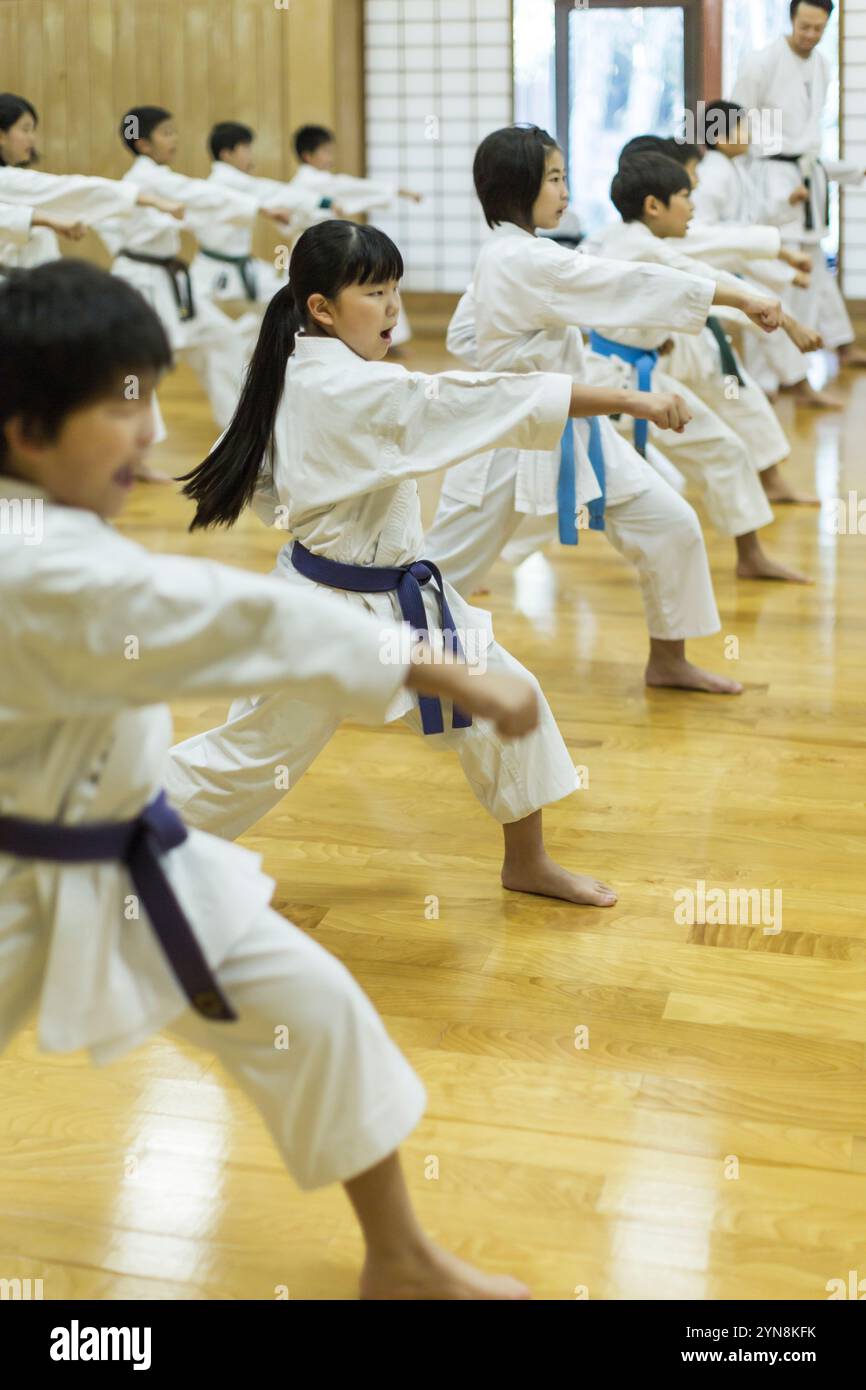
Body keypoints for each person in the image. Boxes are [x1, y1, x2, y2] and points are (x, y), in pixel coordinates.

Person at [0, 258, 544, 1300]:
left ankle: (399, 1258)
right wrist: (423, 662)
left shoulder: (55, 535)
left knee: (317, 1014)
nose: (153, 430)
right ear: (28, 432)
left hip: (122, 861)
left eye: (151, 395)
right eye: (122, 405)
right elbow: (221, 617)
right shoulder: (39, 562)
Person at [170, 219, 623, 906]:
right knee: (253, 756)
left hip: (392, 597)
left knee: (508, 700)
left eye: (395, 291)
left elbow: (267, 486)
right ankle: (105, 834)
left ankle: (527, 863)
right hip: (327, 611)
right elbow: (463, 400)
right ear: (321, 308)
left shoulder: (299, 367)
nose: (392, 308)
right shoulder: (349, 388)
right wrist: (625, 398)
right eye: (374, 292)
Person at [733, 0, 866, 368]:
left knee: (816, 270)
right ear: (792, 19)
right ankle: (787, 371)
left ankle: (837, 345)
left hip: (807, 174)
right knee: (787, 277)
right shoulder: (760, 62)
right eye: (804, 26)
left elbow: (810, 139)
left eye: (818, 29)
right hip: (771, 176)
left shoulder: (822, 64)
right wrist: (747, 185)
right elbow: (733, 124)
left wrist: (849, 171)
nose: (810, 35)